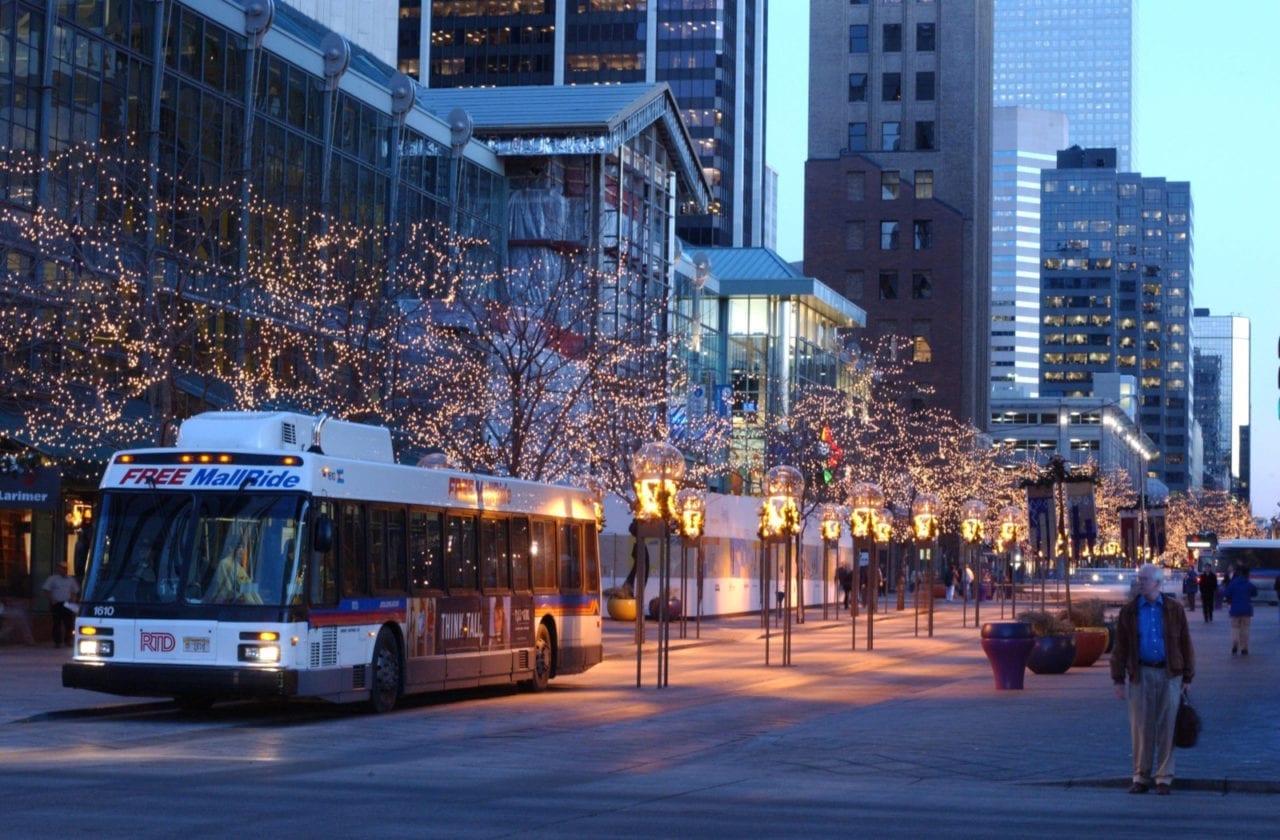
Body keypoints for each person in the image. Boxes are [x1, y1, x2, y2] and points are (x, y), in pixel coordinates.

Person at [1110, 563, 1194, 795]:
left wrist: (1188, 676)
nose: (1140, 583)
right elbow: (1121, 647)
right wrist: (1118, 679)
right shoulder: (1130, 611)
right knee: (1141, 727)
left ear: (1157, 583)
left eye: (1144, 579)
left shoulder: (1174, 609)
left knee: (1167, 726)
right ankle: (1141, 776)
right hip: (1141, 673)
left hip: (1170, 674)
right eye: (1139, 579)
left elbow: (1185, 643)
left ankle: (1164, 778)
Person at [41, 563, 80, 648]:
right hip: (57, 604)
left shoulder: (71, 580)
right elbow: (46, 590)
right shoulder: (53, 579)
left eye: (65, 568)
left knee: (69, 623)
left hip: (67, 604)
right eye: (62, 568)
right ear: (58, 569)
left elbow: (75, 591)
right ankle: (57, 642)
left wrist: (73, 599)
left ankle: (68, 641)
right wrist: (52, 600)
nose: (63, 570)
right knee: (56, 623)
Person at [1222, 566, 1257, 656]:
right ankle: (1244, 648)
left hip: (1235, 609)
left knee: (1235, 628)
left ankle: (1235, 644)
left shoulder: (1233, 583)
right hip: (1246, 610)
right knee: (1245, 629)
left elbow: (1226, 593)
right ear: (1247, 574)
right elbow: (1255, 593)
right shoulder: (1248, 583)